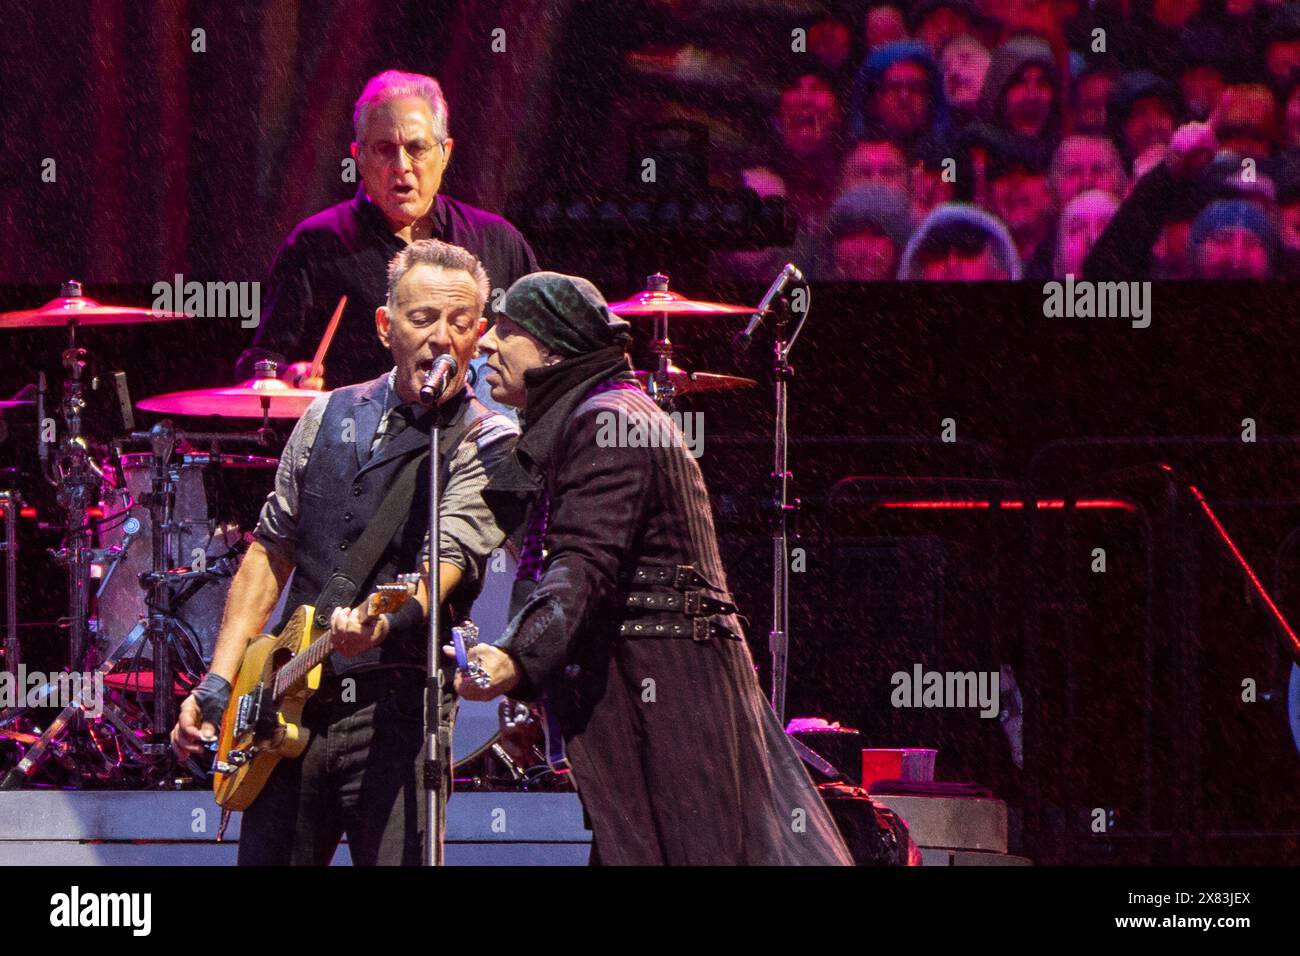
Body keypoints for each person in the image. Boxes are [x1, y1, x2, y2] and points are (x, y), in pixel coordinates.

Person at [456, 272, 854, 866]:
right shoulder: (594, 415)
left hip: (671, 692)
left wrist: (514, 657)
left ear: (555, 347)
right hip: (660, 684)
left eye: (508, 331)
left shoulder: (607, 422)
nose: (486, 343)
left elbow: (583, 565)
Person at [171, 240, 519, 865]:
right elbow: (269, 552)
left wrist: (383, 623)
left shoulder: (489, 440)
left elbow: (450, 560)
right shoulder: (326, 413)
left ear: (481, 334)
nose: (442, 338)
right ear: (386, 326)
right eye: (422, 320)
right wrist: (220, 682)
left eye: (460, 323)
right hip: (281, 705)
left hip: (398, 715)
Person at [237, 70, 537, 391]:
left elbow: (543, 347)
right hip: (359, 436)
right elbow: (259, 363)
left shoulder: (499, 241)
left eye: (417, 148)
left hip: (478, 437)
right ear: (359, 157)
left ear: (445, 153)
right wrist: (290, 376)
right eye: (384, 148)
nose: (402, 165)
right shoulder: (315, 246)